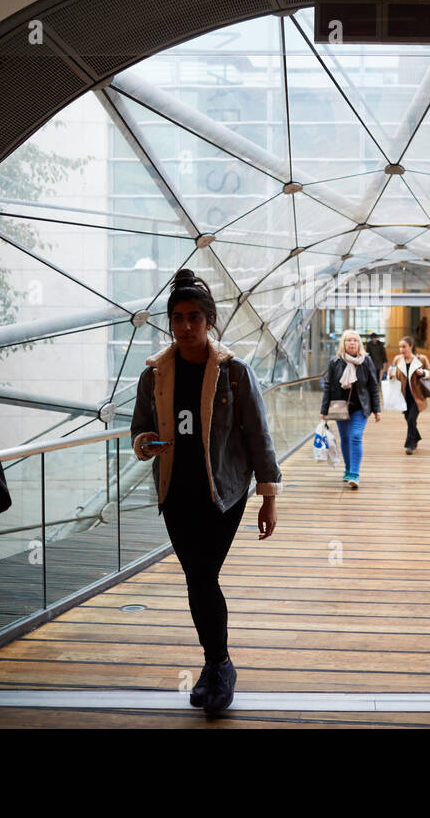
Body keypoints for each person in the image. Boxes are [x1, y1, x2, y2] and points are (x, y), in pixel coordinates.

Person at [131, 268, 281, 718]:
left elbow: (258, 434)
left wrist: (268, 495)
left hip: (223, 494)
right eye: (178, 317)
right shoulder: (155, 374)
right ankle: (217, 665)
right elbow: (140, 431)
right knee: (198, 578)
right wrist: (146, 444)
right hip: (176, 492)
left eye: (195, 316)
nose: (186, 326)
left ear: (210, 320)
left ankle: (217, 665)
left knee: (201, 577)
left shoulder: (234, 372)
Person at [320, 329, 382, 488]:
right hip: (340, 407)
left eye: (355, 340)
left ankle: (354, 473)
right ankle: (348, 470)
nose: (352, 343)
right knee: (345, 439)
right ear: (343, 343)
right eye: (349, 340)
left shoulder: (366, 361)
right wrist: (324, 410)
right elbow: (328, 386)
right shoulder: (335, 362)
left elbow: (373, 386)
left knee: (355, 436)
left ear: (359, 343)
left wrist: (377, 410)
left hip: (361, 407)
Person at [387, 336, 430, 454]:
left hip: (417, 396)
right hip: (403, 396)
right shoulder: (398, 359)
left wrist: (422, 372)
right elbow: (393, 374)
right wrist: (390, 375)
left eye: (404, 347)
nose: (401, 349)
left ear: (411, 346)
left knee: (412, 419)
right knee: (408, 419)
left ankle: (410, 445)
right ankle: (416, 437)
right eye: (400, 347)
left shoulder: (421, 359)